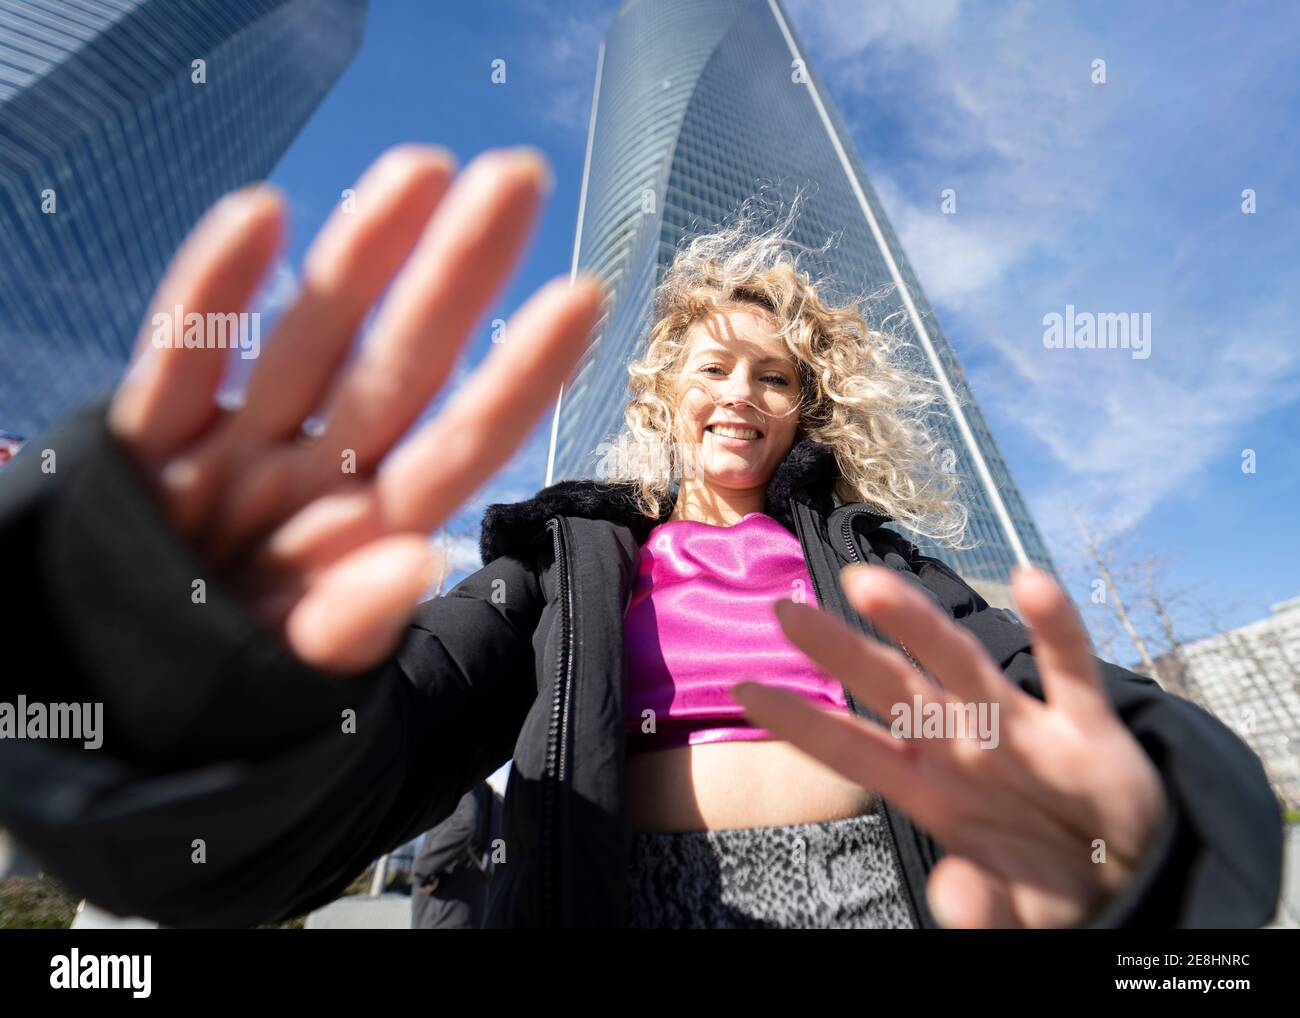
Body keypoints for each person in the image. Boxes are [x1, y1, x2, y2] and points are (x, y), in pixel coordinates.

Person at [0, 144, 1283, 929]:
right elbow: (380, 752)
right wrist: (165, 673)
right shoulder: (562, 565)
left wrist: (1149, 821)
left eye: (777, 378)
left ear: (804, 408)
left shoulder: (872, 557)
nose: (744, 394)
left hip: (890, 896)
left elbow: (1034, 696)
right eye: (716, 366)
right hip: (619, 905)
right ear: (668, 385)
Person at [410, 782, 502, 929]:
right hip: (477, 896)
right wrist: (495, 876)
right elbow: (501, 843)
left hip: (445, 891)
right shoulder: (496, 801)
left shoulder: (465, 785)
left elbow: (466, 823)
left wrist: (423, 867)